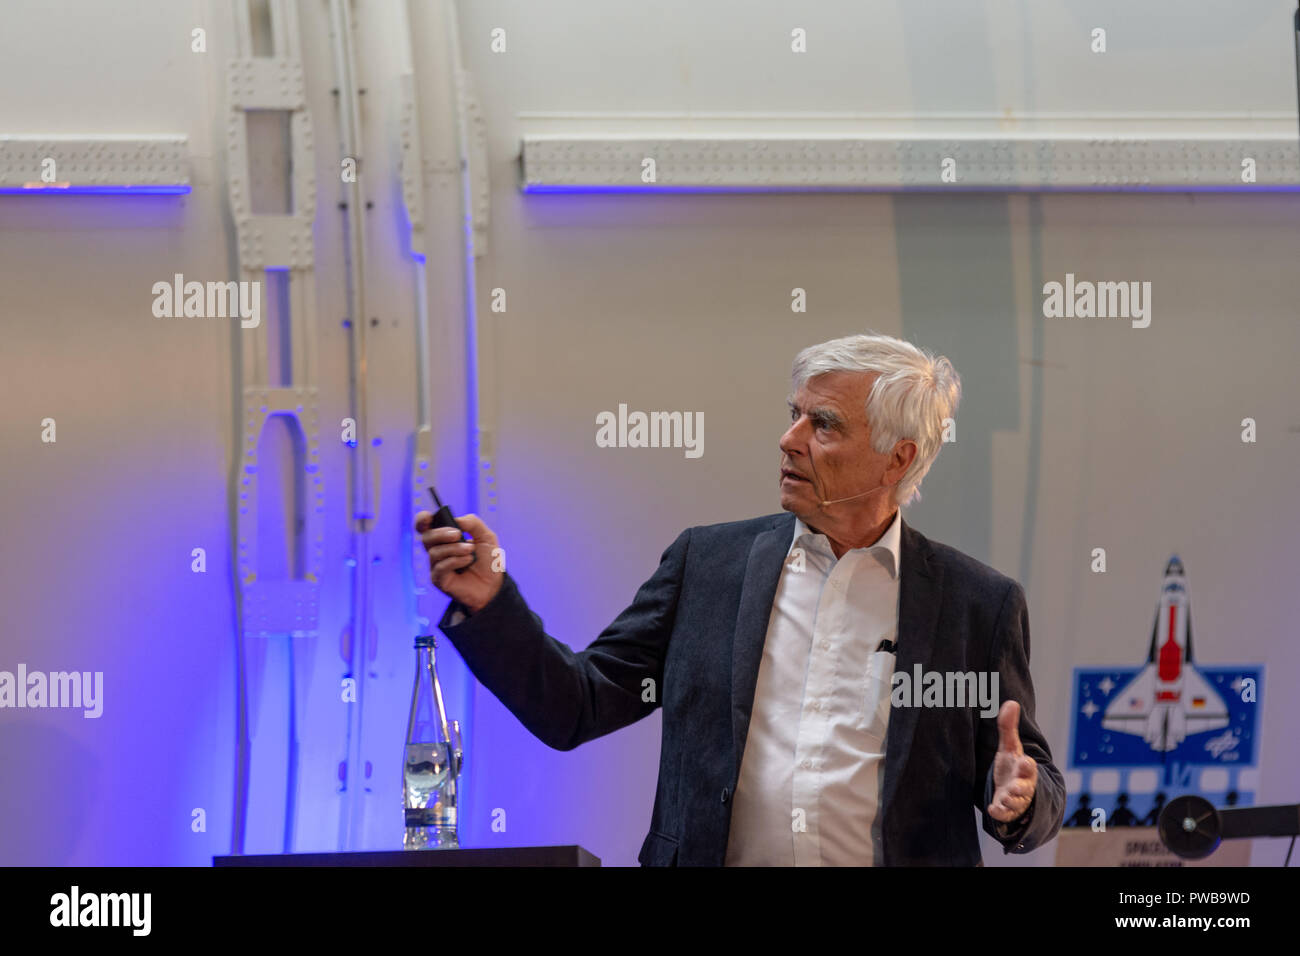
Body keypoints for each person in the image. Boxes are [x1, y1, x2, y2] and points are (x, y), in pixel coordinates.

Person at [416, 332, 1065, 865]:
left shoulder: (977, 603)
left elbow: (1026, 774)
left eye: (825, 425)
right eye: (795, 416)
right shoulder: (707, 566)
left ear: (896, 460)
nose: (790, 439)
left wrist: (1020, 800)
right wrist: (492, 602)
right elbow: (575, 705)